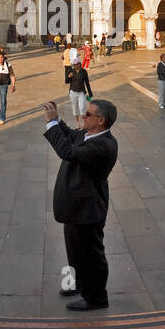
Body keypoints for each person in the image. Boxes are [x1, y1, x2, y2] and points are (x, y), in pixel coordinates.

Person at [45, 96, 119, 310]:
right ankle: (79, 283)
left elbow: (67, 152)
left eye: (88, 114)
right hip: (75, 206)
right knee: (75, 249)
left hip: (88, 209)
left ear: (101, 120)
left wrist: (51, 124)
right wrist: (57, 120)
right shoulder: (89, 134)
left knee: (91, 255)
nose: (83, 116)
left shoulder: (103, 145)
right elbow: (70, 135)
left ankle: (97, 298)